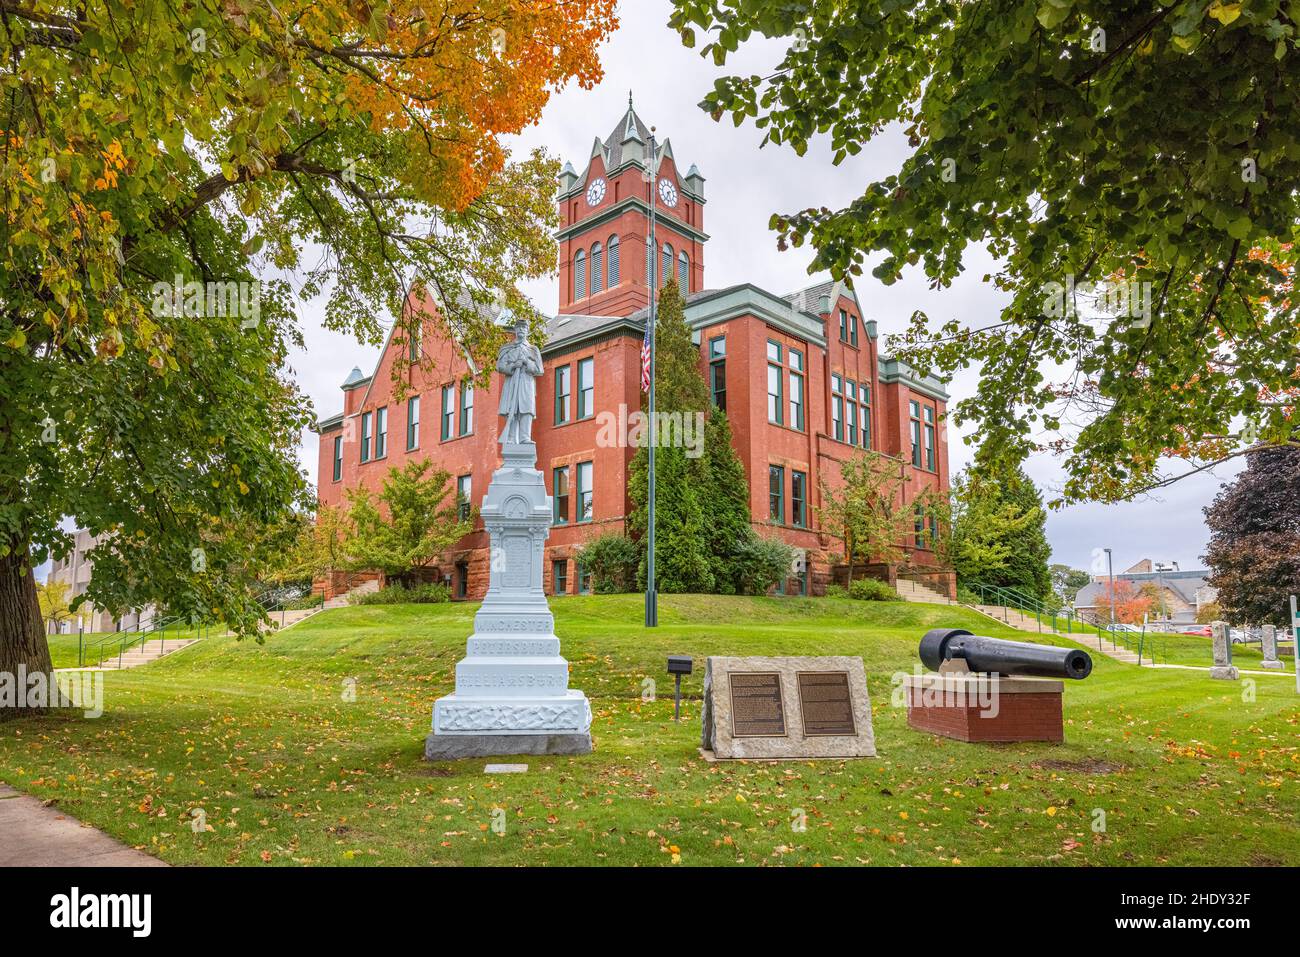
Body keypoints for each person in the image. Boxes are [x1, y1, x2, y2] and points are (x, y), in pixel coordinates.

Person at [496, 318, 543, 445]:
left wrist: (526, 362)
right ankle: (511, 437)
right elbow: (500, 366)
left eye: (524, 327)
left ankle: (524, 438)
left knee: (526, 409)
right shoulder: (507, 348)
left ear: (527, 330)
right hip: (511, 383)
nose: (521, 329)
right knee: (512, 409)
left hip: (527, 383)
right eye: (519, 327)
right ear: (515, 330)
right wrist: (512, 366)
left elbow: (539, 370)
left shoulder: (533, 350)